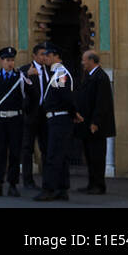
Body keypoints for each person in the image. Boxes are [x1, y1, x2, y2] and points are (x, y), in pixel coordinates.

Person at [0, 46, 35, 197]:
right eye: (7, 60)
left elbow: (32, 95)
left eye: (12, 60)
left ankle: (12, 184)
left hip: (16, 119)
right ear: (1, 61)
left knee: (14, 152)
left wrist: (25, 109)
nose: (10, 63)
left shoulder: (20, 77)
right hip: (0, 119)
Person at [34, 42, 75, 201]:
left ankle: (49, 189)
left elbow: (66, 97)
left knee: (52, 156)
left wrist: (73, 113)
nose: (46, 58)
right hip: (57, 118)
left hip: (59, 119)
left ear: (56, 56)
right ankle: (61, 188)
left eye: (49, 55)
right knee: (60, 155)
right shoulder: (55, 72)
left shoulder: (60, 73)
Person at [74, 50, 116, 194]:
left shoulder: (101, 77)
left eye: (84, 60)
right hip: (87, 125)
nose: (82, 63)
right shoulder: (90, 76)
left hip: (96, 127)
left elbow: (102, 103)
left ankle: (99, 185)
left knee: (97, 157)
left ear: (92, 61)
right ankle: (91, 184)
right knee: (90, 156)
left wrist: (95, 122)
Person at [21, 42, 49, 189]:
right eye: (42, 54)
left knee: (46, 147)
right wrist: (26, 75)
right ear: (34, 56)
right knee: (27, 148)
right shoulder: (26, 70)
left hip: (44, 115)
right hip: (30, 114)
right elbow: (16, 85)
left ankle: (47, 180)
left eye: (46, 54)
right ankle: (28, 180)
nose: (44, 57)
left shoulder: (49, 71)